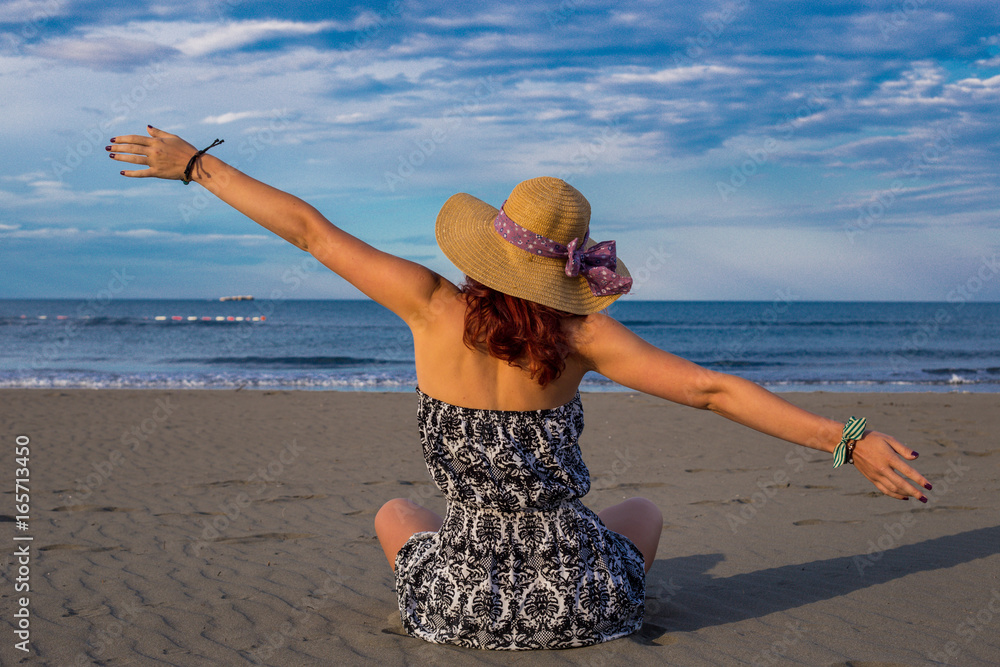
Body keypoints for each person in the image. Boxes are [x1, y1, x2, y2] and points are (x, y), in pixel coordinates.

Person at [108, 126, 932, 651]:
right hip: (583, 603)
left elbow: (311, 230)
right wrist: (846, 438)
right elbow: (714, 390)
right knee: (640, 512)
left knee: (397, 514)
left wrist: (196, 167)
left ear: (486, 248)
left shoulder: (429, 304)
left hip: (464, 604)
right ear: (567, 268)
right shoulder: (583, 339)